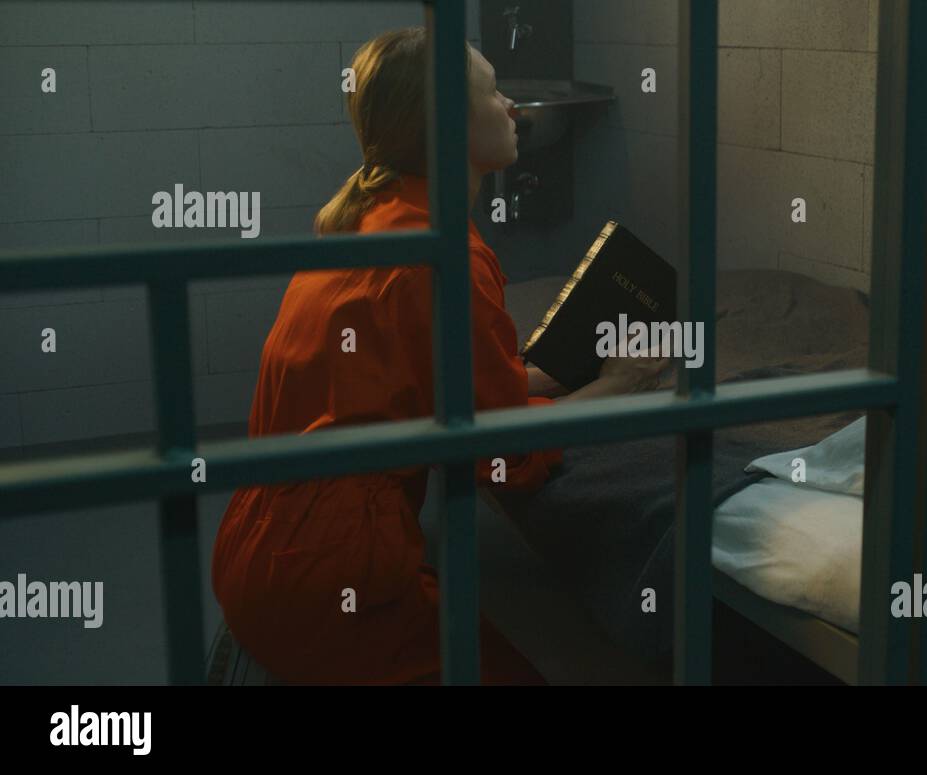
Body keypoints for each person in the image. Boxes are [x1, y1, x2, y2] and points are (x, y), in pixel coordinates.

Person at [210, 28, 670, 685]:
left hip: (257, 547)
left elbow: (422, 380)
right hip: (325, 577)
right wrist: (620, 388)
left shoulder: (371, 218)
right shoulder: (443, 253)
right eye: (492, 91)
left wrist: (550, 370)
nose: (511, 105)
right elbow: (505, 453)